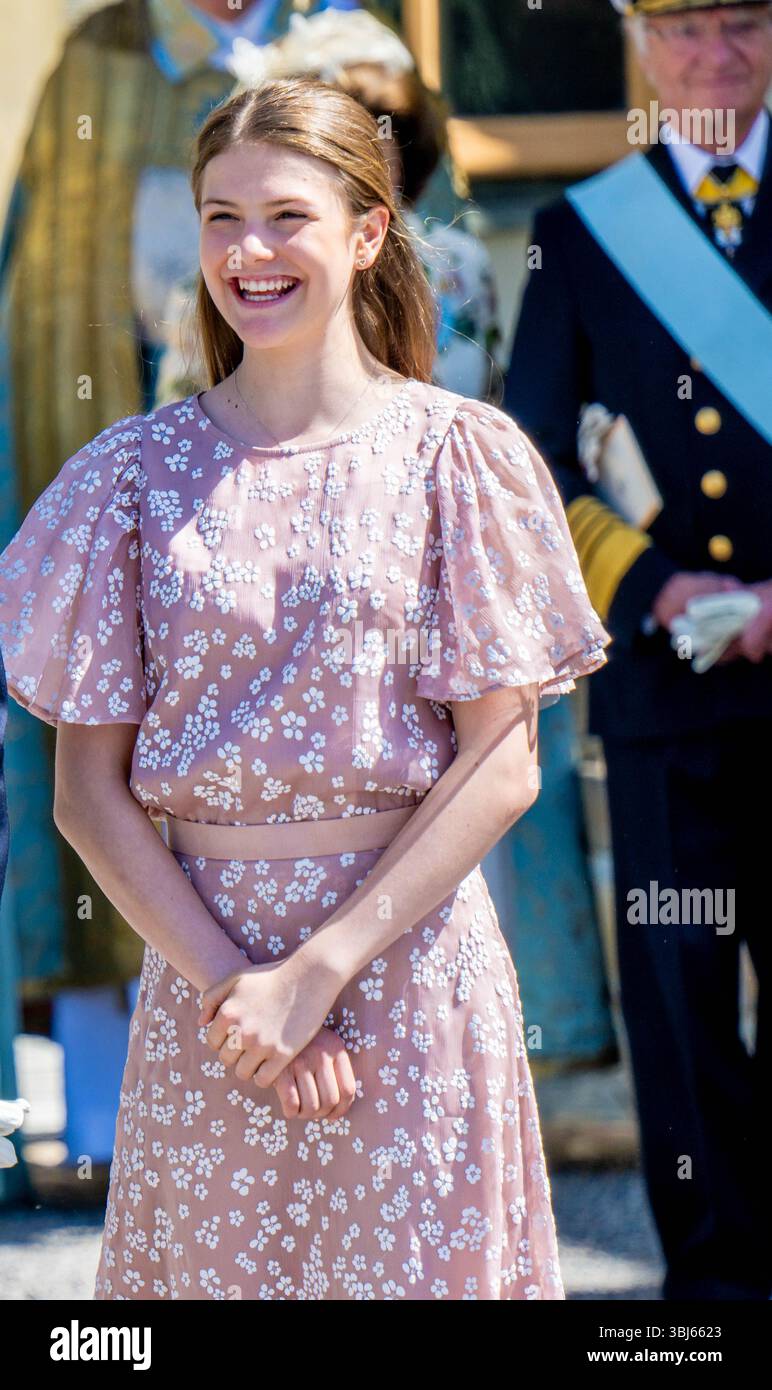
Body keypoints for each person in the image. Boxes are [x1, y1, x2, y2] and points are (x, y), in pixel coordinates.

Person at [0, 76, 609, 1300]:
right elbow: (87, 789)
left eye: (285, 215)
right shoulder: (128, 476)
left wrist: (316, 975)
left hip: (411, 971)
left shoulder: (457, 457)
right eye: (220, 217)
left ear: (369, 230)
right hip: (208, 993)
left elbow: (504, 761)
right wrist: (244, 994)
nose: (248, 251)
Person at [0, 0, 367, 1171]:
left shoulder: (350, 46)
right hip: (149, 485)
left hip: (328, 485)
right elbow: (51, 297)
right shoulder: (102, 52)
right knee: (110, 780)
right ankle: (109, 1130)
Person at [506, 0, 772, 1300]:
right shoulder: (576, 232)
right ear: (634, 37)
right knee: (680, 1005)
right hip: (668, 697)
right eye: (683, 30)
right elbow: (528, 464)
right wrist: (661, 588)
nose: (714, 57)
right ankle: (719, 1293)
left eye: (744, 23)